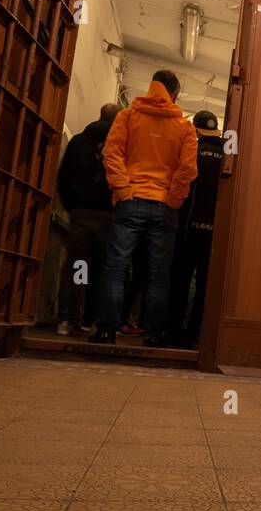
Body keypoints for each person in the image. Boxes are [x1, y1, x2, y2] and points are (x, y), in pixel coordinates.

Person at [91, 70, 197, 347]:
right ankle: (152, 334)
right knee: (158, 273)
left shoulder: (128, 116)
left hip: (131, 200)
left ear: (152, 87)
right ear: (174, 93)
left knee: (116, 266)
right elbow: (187, 169)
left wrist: (123, 189)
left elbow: (111, 153)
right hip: (164, 206)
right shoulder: (184, 127)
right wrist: (173, 199)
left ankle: (106, 331)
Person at [55, 103, 119, 335]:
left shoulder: (77, 142)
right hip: (107, 217)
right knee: (100, 271)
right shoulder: (119, 144)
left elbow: (63, 178)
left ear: (99, 115)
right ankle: (87, 320)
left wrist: (72, 205)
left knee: (77, 266)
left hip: (80, 214)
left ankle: (65, 318)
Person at [167, 109, 224, 348]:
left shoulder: (193, 152)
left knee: (179, 280)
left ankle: (172, 330)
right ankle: (195, 332)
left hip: (188, 230)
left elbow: (181, 183)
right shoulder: (226, 157)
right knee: (205, 285)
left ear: (196, 131)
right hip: (214, 233)